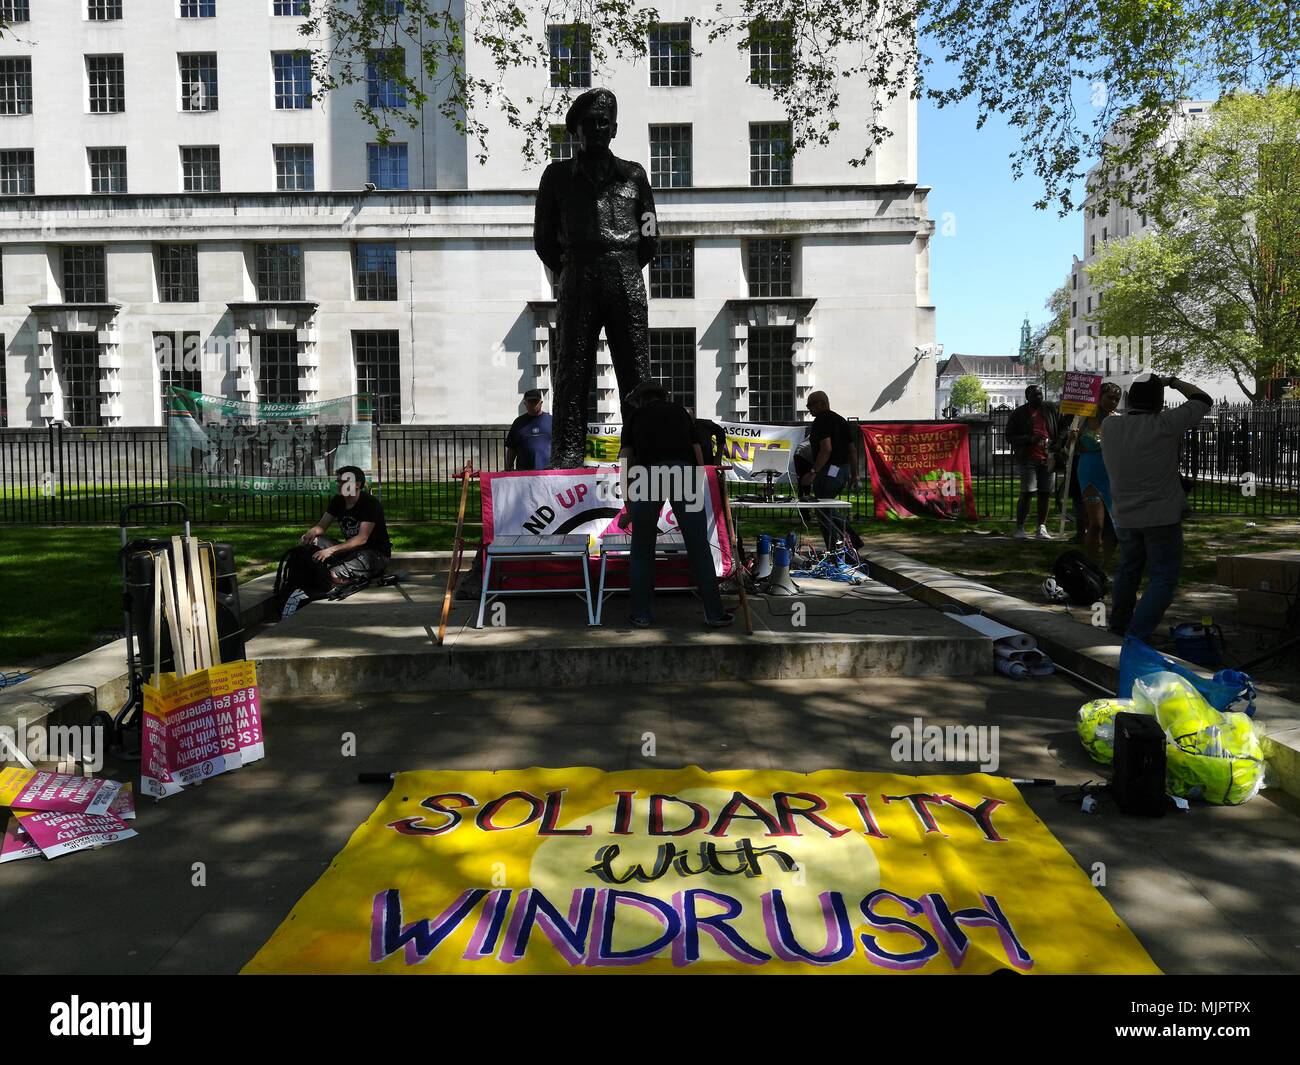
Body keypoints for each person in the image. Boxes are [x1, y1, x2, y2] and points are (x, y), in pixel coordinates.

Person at [533, 88, 658, 469]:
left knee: (636, 372)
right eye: (590, 123)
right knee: (572, 369)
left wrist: (622, 262)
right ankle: (567, 455)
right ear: (576, 130)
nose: (598, 129)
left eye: (605, 122)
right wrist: (573, 265)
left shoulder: (635, 175)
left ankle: (641, 454)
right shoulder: (556, 177)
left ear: (615, 128)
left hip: (624, 274)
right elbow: (543, 239)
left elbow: (650, 233)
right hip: (577, 275)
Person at [1102, 374, 1212, 641]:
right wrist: (1173, 382)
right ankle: (1137, 634)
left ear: (1129, 399)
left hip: (1125, 515)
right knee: (1163, 577)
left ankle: (1118, 625)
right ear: (1159, 402)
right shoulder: (1165, 424)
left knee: (1129, 569)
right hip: (1160, 516)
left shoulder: (1109, 426)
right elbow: (1203, 399)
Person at [618, 383, 733, 629]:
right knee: (699, 544)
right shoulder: (681, 412)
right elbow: (696, 449)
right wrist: (699, 479)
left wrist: (628, 500)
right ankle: (714, 612)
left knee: (642, 546)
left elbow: (626, 457)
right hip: (685, 473)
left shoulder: (634, 416)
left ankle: (641, 614)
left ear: (640, 400)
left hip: (647, 475)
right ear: (664, 396)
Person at [300, 466, 393, 587]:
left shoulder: (370, 504)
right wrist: (310, 533)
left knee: (333, 575)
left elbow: (362, 539)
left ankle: (367, 574)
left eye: (344, 482)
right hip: (352, 551)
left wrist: (331, 550)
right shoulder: (338, 501)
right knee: (314, 541)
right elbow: (322, 526)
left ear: (357, 485)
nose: (339, 485)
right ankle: (350, 570)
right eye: (338, 481)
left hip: (375, 554)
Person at [1065, 381, 1122, 563]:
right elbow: (1069, 449)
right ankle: (1092, 562)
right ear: (1099, 397)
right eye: (1109, 398)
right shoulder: (1083, 419)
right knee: (1096, 523)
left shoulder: (1119, 420)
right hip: (1089, 470)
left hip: (1112, 472)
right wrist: (1071, 439)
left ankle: (1106, 563)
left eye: (1116, 399)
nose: (1113, 402)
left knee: (1112, 525)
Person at [799, 391, 863, 552]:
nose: (809, 409)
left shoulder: (821, 420)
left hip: (828, 472)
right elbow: (852, 450)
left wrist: (813, 471)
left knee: (824, 511)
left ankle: (841, 546)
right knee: (826, 509)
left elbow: (826, 449)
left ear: (822, 403)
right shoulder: (840, 420)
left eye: (810, 405)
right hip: (842, 471)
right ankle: (840, 546)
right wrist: (855, 474)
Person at [1006, 384, 1064, 539]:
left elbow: (1063, 425)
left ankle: (1041, 527)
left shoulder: (1050, 409)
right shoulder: (1019, 413)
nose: (1039, 397)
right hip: (1028, 458)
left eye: (1040, 394)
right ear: (1027, 397)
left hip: (1048, 458)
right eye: (1035, 395)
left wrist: (1058, 441)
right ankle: (1020, 527)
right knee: (1027, 492)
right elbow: (1009, 436)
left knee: (1045, 493)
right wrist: (1029, 439)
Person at [504, 389, 553, 471]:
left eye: (535, 401)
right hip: (524, 472)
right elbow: (511, 448)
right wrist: (509, 467)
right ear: (524, 403)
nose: (533, 404)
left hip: (548, 471)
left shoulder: (551, 420)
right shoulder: (518, 422)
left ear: (541, 403)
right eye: (530, 402)